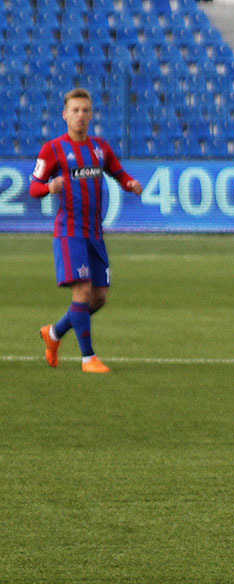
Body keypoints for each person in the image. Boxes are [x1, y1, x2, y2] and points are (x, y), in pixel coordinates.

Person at [31, 87, 143, 373]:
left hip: (95, 233)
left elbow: (118, 172)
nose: (80, 115)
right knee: (81, 291)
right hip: (70, 232)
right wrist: (48, 187)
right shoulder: (53, 149)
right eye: (75, 110)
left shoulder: (99, 147)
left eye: (85, 110)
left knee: (99, 297)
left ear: (91, 114)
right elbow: (34, 187)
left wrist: (130, 183)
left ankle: (54, 333)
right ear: (64, 115)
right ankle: (88, 358)